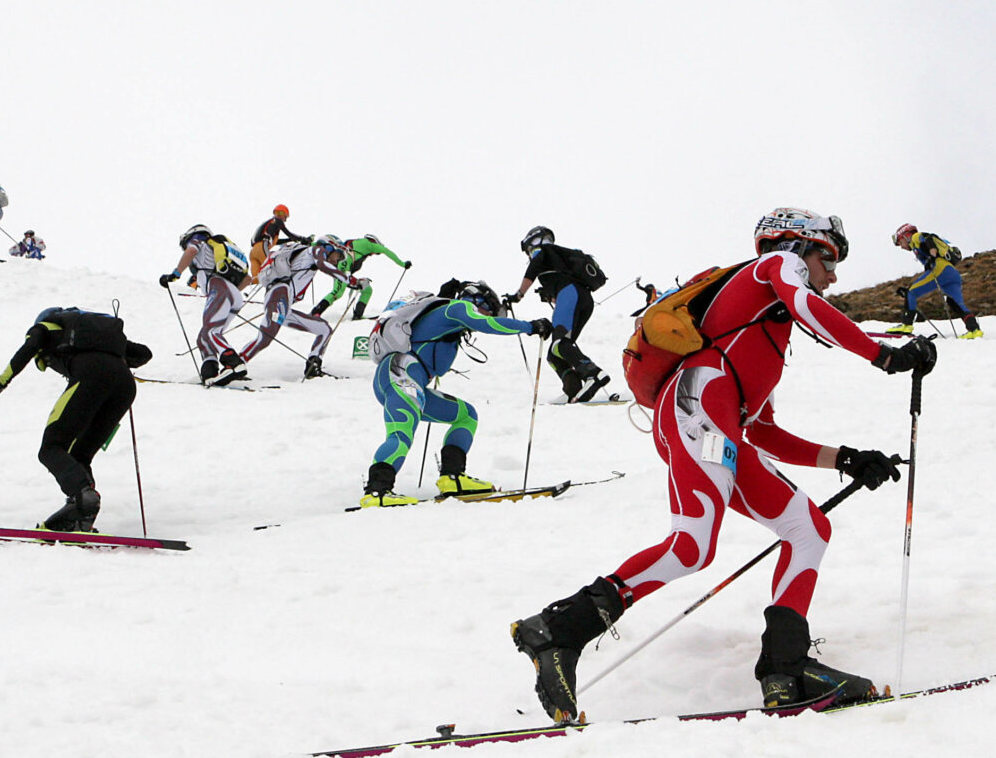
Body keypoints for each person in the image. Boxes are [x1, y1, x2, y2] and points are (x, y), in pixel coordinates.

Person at [510, 208, 936, 722]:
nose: (833, 274)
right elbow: (804, 302)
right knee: (692, 546)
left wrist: (846, 459)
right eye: (829, 257)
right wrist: (882, 353)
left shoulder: (761, 339)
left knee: (808, 528)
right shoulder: (776, 266)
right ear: (800, 244)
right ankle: (557, 632)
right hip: (699, 404)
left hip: (719, 419)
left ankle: (786, 670)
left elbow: (764, 433)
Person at [360, 281, 554, 507]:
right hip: (400, 374)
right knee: (401, 434)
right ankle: (377, 491)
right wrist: (530, 326)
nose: (488, 313)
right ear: (476, 301)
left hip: (400, 377)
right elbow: (487, 324)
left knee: (465, 415)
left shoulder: (444, 321)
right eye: (488, 308)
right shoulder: (457, 308)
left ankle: (452, 478)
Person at [0, 308, 153, 532]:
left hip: (89, 377)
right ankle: (80, 516)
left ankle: (82, 499)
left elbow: (28, 348)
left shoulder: (45, 326)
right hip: (125, 387)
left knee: (51, 448)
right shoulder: (88, 336)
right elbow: (144, 353)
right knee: (80, 455)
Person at [505, 225, 611, 402]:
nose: (530, 254)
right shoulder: (559, 259)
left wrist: (519, 294)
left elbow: (533, 269)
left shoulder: (543, 250)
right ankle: (573, 389)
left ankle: (594, 374)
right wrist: (552, 294)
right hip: (583, 298)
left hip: (570, 294)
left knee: (559, 343)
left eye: (528, 249)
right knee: (555, 353)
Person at [237, 234, 361, 379]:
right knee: (266, 337)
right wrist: (351, 280)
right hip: (279, 295)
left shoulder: (310, 261)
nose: (337, 260)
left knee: (324, 329)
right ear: (329, 246)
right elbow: (322, 265)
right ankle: (235, 365)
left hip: (283, 301)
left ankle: (313, 367)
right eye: (337, 255)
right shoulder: (315, 250)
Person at [160, 225, 250, 384]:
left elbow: (191, 252)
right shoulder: (217, 250)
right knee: (204, 337)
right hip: (233, 294)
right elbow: (248, 279)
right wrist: (229, 293)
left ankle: (234, 364)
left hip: (218, 287)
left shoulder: (198, 241)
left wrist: (175, 274)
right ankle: (210, 373)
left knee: (210, 332)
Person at [886, 224, 983, 337]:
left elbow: (928, 238)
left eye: (900, 241)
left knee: (911, 292)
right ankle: (974, 330)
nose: (901, 246)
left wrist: (933, 252)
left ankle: (906, 325)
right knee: (955, 303)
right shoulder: (918, 248)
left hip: (940, 268)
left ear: (906, 235)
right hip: (952, 273)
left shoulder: (915, 238)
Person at [311, 234, 412, 321]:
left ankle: (358, 315)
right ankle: (316, 312)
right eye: (375, 253)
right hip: (344, 265)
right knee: (338, 292)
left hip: (346, 269)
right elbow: (387, 251)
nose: (373, 254)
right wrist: (402, 264)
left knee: (367, 289)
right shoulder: (369, 244)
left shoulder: (360, 245)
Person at [247, 205, 309, 288]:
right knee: (271, 269)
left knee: (256, 279)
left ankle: (250, 297)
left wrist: (290, 240)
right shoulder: (277, 220)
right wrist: (302, 239)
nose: (285, 220)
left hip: (253, 252)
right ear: (283, 214)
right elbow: (288, 233)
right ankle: (277, 291)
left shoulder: (269, 224)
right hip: (262, 247)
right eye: (285, 217)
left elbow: (276, 242)